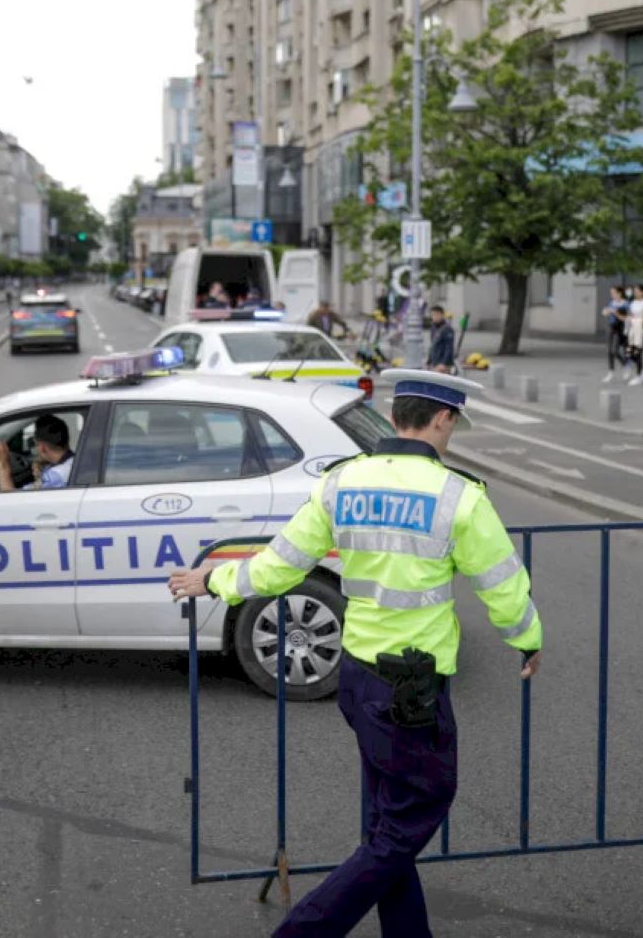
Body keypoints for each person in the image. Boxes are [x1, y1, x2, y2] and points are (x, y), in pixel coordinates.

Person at [168, 369, 542, 937]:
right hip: (413, 688)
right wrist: (528, 639)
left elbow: (281, 564)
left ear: (395, 416)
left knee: (386, 821)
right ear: (442, 419)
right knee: (416, 811)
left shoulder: (340, 483)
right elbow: (502, 585)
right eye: (454, 422)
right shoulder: (458, 497)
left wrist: (215, 582)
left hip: (358, 676)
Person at [0, 413, 74, 491]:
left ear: (42, 448)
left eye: (36, 444)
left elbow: (12, 500)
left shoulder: (55, 476)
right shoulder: (72, 461)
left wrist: (3, 467)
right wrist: (43, 468)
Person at [601, 285, 630, 384]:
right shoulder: (612, 303)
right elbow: (605, 312)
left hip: (620, 329)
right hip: (612, 328)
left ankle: (625, 366)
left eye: (613, 292)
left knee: (616, 351)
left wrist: (614, 312)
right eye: (611, 293)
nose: (612, 294)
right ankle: (611, 372)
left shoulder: (625, 304)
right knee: (609, 351)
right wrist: (606, 311)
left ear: (619, 293)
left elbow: (626, 317)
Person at [624, 283, 643, 385]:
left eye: (637, 291)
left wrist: (641, 321)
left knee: (637, 352)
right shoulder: (633, 302)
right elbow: (629, 315)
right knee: (630, 351)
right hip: (632, 329)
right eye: (634, 291)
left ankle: (639, 375)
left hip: (640, 329)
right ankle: (641, 371)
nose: (635, 292)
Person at [425, 304, 456, 373]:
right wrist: (429, 361)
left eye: (437, 315)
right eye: (432, 315)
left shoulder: (447, 329)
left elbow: (449, 348)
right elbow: (433, 346)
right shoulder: (433, 328)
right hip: (435, 363)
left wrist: (443, 363)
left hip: (443, 365)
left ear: (442, 315)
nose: (434, 317)